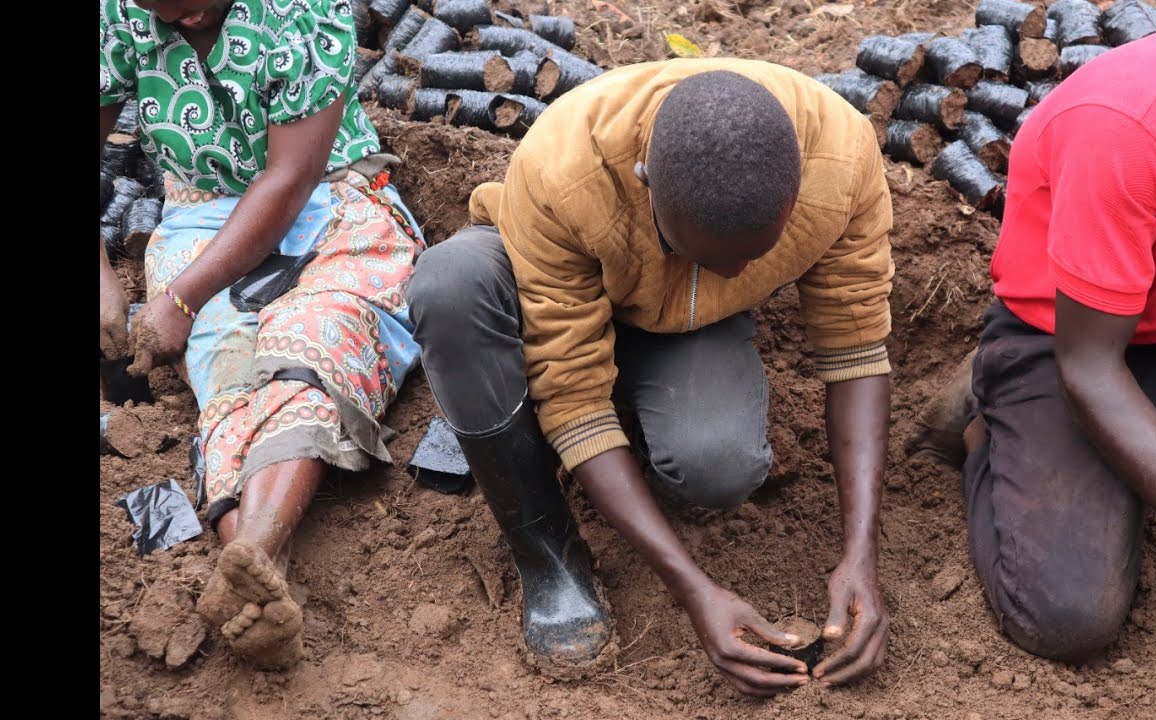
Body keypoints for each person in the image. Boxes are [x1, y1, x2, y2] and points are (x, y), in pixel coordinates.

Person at [408, 59, 896, 695]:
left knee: (719, 464)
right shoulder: (565, 168)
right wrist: (693, 589)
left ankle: (622, 413)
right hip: (545, 280)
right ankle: (546, 550)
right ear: (646, 186)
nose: (734, 273)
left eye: (752, 260)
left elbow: (857, 345)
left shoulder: (843, 161)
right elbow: (575, 392)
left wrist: (862, 556)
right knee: (451, 287)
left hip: (678, 321)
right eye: (706, 253)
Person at [100, 0, 425, 669]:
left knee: (316, 336)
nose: (184, 23)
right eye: (164, 11)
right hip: (200, 223)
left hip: (330, 199)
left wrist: (182, 300)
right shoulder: (116, 12)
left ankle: (254, 552)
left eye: (193, 5)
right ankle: (253, 577)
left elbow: (290, 176)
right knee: (227, 369)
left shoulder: (300, 9)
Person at [908, 29, 1156, 661]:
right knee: (1066, 614)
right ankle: (986, 422)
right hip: (1075, 340)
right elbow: (1090, 368)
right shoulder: (1126, 128)